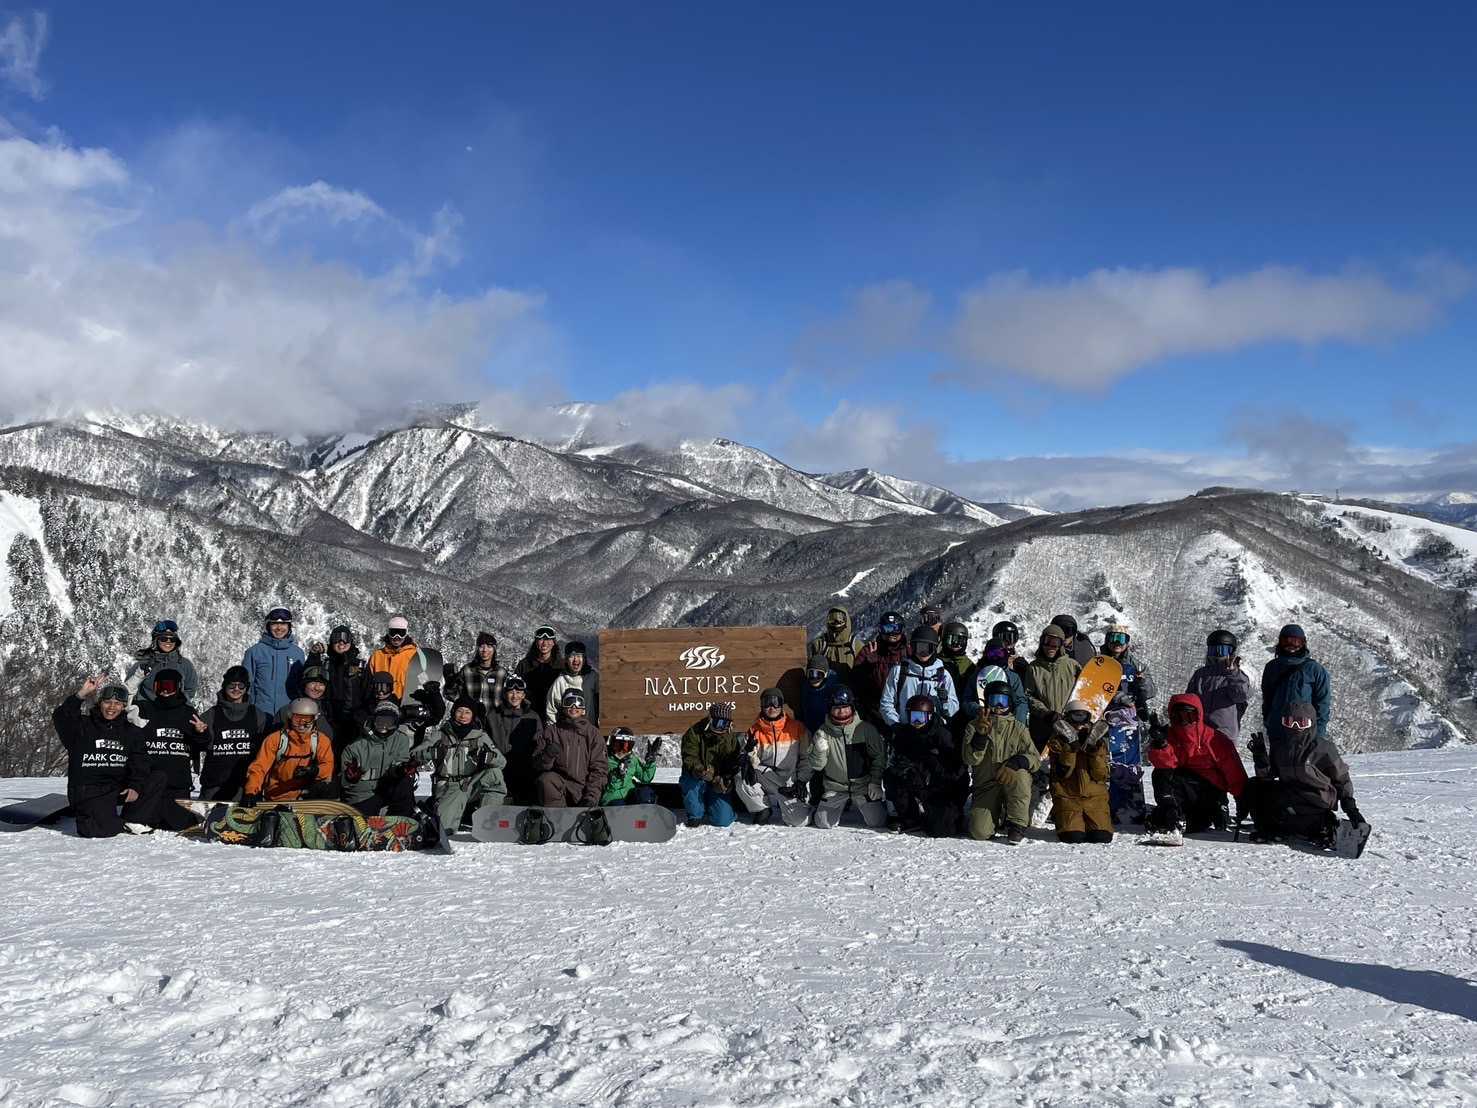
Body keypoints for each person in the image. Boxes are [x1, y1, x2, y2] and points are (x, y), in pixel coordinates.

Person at [51, 676, 164, 838]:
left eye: (117, 703)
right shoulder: (83, 727)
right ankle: (109, 819)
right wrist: (81, 694)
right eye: (107, 702)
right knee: (96, 830)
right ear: (100, 703)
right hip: (88, 790)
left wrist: (135, 786)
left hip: (116, 788)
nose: (112, 707)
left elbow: (140, 762)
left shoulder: (131, 731)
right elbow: (61, 717)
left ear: (123, 706)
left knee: (157, 776)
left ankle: (132, 819)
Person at [1242, 701, 1367, 847]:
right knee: (1255, 786)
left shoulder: (1322, 748)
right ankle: (1271, 828)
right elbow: (1267, 776)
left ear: (1311, 723)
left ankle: (1325, 827)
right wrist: (1261, 758)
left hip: (1316, 798)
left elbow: (1342, 778)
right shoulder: (1281, 747)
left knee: (1300, 818)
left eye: (1301, 723)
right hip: (1290, 794)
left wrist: (1350, 806)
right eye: (1290, 722)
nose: (1295, 728)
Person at [1144, 693, 1248, 836]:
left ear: (1198, 716)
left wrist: (1242, 803)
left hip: (1208, 790)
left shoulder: (1215, 740)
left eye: (1188, 717)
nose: (1184, 722)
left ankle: (1211, 813)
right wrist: (1160, 745)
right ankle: (1171, 814)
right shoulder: (1170, 736)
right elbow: (1165, 764)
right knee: (1161, 774)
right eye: (1177, 718)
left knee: (1200, 820)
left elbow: (1234, 774)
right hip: (1181, 790)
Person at [961, 680, 1040, 845]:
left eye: (1002, 701)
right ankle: (996, 814)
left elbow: (1034, 758)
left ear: (1009, 703)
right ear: (986, 702)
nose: (998, 705)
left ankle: (1017, 825)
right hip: (986, 784)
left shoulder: (1018, 728)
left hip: (1012, 782)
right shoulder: (973, 726)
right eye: (993, 700)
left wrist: (1016, 762)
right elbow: (970, 759)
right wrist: (980, 737)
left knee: (1021, 775)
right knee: (979, 832)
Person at [414, 697, 507, 830]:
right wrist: (431, 753)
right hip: (449, 785)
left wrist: (489, 758)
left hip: (471, 783)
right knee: (445, 828)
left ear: (472, 715)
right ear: (453, 713)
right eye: (459, 711)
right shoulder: (441, 734)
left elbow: (502, 762)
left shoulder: (480, 736)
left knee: (494, 774)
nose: (463, 716)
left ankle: (487, 822)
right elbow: (415, 754)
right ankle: (440, 810)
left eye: (467, 712)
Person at [884, 693, 967, 837]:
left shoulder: (942, 735)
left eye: (921, 717)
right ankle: (910, 818)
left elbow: (957, 769)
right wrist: (902, 769)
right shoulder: (904, 734)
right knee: (892, 776)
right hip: (917, 782)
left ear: (929, 716)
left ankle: (950, 815)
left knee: (941, 830)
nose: (917, 721)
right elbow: (896, 761)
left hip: (941, 786)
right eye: (913, 717)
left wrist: (932, 763)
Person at [806, 687, 887, 830]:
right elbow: (817, 766)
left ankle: (867, 803)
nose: (842, 712)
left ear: (852, 707)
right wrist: (819, 751)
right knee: (823, 823)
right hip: (835, 787)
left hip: (862, 786)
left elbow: (879, 757)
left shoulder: (865, 729)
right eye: (837, 708)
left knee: (877, 821)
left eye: (845, 707)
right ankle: (834, 805)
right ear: (830, 709)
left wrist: (875, 781)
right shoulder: (822, 732)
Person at [136, 668, 206, 820]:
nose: (165, 691)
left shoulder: (187, 712)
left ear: (178, 687)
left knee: (179, 822)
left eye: (170, 687)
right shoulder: (146, 709)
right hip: (150, 782)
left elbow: (201, 745)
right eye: (161, 687)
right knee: (150, 820)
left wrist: (201, 733)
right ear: (155, 688)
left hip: (178, 782)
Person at [734, 688, 810, 826]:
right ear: (762, 706)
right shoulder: (754, 730)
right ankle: (762, 808)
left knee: (799, 821)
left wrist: (801, 781)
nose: (771, 707)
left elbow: (806, 758)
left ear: (781, 705)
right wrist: (749, 753)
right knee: (742, 777)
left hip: (789, 782)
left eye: (775, 702)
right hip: (766, 777)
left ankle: (792, 805)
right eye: (767, 703)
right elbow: (752, 762)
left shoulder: (797, 728)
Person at [242, 698, 336, 805]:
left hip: (306, 799)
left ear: (314, 719)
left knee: (329, 787)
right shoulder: (275, 739)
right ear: (290, 717)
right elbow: (259, 767)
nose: (302, 724)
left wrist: (314, 771)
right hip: (276, 797)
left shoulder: (321, 741)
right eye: (297, 719)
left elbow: (328, 766)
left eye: (307, 719)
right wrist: (250, 792)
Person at [198, 666, 271, 802]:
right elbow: (200, 745)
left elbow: (266, 751)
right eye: (232, 685)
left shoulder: (258, 715)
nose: (236, 689)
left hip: (245, 786)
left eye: (241, 685)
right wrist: (199, 734)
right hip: (215, 785)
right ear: (225, 686)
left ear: (246, 688)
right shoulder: (211, 715)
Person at [1047, 700, 1114, 844]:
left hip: (1095, 799)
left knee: (1102, 837)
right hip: (1068, 798)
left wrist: (1094, 752)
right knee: (1073, 838)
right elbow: (1062, 774)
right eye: (1075, 717)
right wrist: (1070, 748)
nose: (1079, 722)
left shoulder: (1099, 742)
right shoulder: (1056, 741)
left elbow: (1101, 775)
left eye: (1083, 716)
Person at [338, 702, 418, 817]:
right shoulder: (355, 746)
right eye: (380, 721)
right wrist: (351, 778)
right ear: (373, 721)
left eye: (389, 722)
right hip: (364, 793)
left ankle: (399, 822)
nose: (384, 727)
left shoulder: (400, 739)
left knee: (405, 784)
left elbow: (400, 762)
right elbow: (345, 785)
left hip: (388, 787)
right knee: (364, 822)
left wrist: (401, 770)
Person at [533, 688, 607, 808]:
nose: (573, 706)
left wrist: (591, 797)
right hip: (559, 788)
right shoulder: (552, 731)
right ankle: (557, 819)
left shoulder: (593, 734)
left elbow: (599, 769)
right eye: (569, 702)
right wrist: (548, 755)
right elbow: (537, 765)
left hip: (582, 789)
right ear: (563, 707)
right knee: (546, 780)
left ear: (583, 710)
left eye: (578, 703)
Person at [879, 626, 959, 732]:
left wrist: (945, 701)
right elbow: (887, 702)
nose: (923, 652)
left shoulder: (942, 675)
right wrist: (895, 724)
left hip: (933, 732)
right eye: (919, 647)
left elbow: (953, 708)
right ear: (912, 647)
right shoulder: (899, 671)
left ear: (935, 648)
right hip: (905, 729)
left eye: (928, 648)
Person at [1261, 624, 1331, 742]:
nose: (1291, 646)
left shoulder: (1314, 670)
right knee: (1278, 760)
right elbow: (1267, 698)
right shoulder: (1272, 667)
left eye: (1295, 641)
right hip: (1278, 731)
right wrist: (1269, 723)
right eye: (1286, 641)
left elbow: (1323, 703)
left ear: (1303, 643)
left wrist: (1318, 733)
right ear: (1280, 642)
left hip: (1305, 732)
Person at [679, 702, 741, 828]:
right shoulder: (694, 733)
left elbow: (733, 762)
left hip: (717, 781)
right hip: (697, 777)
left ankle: (721, 809)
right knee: (690, 782)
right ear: (710, 719)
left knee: (722, 821)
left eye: (725, 724)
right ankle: (695, 814)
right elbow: (689, 757)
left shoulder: (731, 738)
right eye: (717, 723)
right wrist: (699, 770)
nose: (720, 727)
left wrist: (725, 780)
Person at [309, 625, 367, 753]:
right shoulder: (326, 664)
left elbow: (368, 692)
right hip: (330, 719)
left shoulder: (360, 666)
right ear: (331, 642)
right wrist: (314, 656)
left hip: (353, 721)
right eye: (337, 639)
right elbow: (309, 682)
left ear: (351, 642)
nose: (341, 643)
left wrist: (363, 715)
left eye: (345, 639)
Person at [125, 620, 200, 720]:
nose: (168, 642)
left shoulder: (184, 664)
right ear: (156, 640)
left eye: (172, 639)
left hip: (176, 714)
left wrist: (175, 702)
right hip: (147, 714)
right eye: (164, 638)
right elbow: (129, 688)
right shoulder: (143, 664)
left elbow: (190, 689)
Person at [1185, 629, 1251, 741]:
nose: (1216, 655)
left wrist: (1232, 673)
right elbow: (1189, 700)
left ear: (1231, 653)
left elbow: (1241, 695)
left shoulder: (1236, 676)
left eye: (1222, 651)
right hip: (1200, 732)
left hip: (1224, 734)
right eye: (1212, 650)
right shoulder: (1201, 674)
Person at [486, 674, 542, 804]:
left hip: (525, 768)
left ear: (524, 695)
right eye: (511, 692)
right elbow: (486, 742)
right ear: (505, 694)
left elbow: (539, 744)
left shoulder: (533, 717)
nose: (514, 696)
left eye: (518, 692)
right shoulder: (493, 715)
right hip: (500, 768)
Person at [1023, 624, 1082, 747]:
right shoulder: (1034, 668)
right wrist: (1045, 713)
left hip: (1068, 725)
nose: (1050, 647)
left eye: (1055, 643)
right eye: (1047, 642)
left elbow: (1082, 691)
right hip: (1043, 725)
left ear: (1061, 645)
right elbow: (1029, 696)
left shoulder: (1073, 666)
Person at [243, 606, 305, 718]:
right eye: (274, 623)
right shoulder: (254, 652)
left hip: (289, 716)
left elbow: (301, 686)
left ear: (289, 626)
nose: (279, 627)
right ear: (268, 626)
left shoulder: (298, 653)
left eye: (284, 624)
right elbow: (247, 686)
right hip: (260, 714)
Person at [852, 611, 907, 719]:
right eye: (887, 629)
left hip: (904, 708)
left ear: (902, 630)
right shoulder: (870, 650)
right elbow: (855, 680)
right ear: (880, 630)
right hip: (875, 709)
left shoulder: (908, 652)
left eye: (896, 629)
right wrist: (868, 666)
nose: (891, 634)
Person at [1100, 624, 1156, 719]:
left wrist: (1142, 682)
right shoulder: (1099, 663)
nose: (1117, 643)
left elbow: (1151, 691)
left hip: (1131, 712)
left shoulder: (1137, 665)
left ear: (1127, 643)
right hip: (1104, 710)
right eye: (1113, 638)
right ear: (1107, 640)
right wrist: (1117, 696)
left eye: (1121, 639)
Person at [455, 632, 506, 723]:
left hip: (494, 722)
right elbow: (455, 695)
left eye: (489, 646)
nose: (485, 650)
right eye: (481, 646)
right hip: (470, 722)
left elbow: (507, 699)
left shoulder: (501, 673)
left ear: (494, 650)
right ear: (477, 649)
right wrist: (450, 679)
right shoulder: (467, 670)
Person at [601, 728, 659, 806]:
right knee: (618, 805)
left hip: (628, 795)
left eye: (628, 746)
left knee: (645, 794)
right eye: (620, 745)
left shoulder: (631, 759)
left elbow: (645, 778)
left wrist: (651, 762)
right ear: (613, 744)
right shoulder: (604, 759)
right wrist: (616, 775)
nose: (624, 751)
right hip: (612, 798)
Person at [368, 615, 422, 700]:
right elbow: (368, 682)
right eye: (393, 633)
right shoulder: (377, 656)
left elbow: (422, 680)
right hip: (381, 704)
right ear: (388, 633)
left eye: (401, 633)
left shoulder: (415, 655)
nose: (397, 637)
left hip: (406, 705)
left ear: (406, 633)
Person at [275, 665, 335, 741]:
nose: (317, 688)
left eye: (321, 684)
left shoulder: (329, 712)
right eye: (313, 683)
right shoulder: (286, 711)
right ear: (304, 685)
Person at [545, 640, 599, 724]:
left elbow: (603, 701)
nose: (575, 660)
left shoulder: (592, 677)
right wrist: (555, 732)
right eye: (572, 656)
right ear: (566, 659)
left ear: (584, 659)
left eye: (579, 656)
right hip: (566, 731)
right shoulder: (560, 681)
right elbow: (551, 710)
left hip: (589, 729)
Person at [516, 625, 565, 715]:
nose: (544, 643)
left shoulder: (562, 666)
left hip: (555, 714)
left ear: (554, 643)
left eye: (548, 640)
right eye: (541, 639)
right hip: (529, 713)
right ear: (535, 642)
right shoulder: (524, 665)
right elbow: (516, 689)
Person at [977, 640, 1029, 724]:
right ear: (986, 655)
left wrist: (1018, 723)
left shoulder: (1013, 677)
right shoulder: (979, 675)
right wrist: (977, 710)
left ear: (1005, 654)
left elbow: (1021, 701)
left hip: (1008, 722)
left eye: (999, 653)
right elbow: (967, 699)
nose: (995, 657)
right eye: (992, 654)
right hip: (983, 721)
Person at [808, 606, 862, 681]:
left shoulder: (856, 646)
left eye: (840, 620)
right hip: (826, 689)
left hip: (850, 689)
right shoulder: (820, 645)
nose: (836, 623)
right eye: (832, 620)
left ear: (846, 622)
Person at [799, 654, 843, 733]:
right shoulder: (805, 688)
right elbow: (805, 710)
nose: (814, 678)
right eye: (811, 674)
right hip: (812, 730)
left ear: (825, 674)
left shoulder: (834, 688)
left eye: (818, 675)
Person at [939, 622, 976, 703]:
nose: (956, 645)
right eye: (952, 640)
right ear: (944, 639)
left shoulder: (969, 666)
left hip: (962, 707)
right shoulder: (936, 662)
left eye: (961, 641)